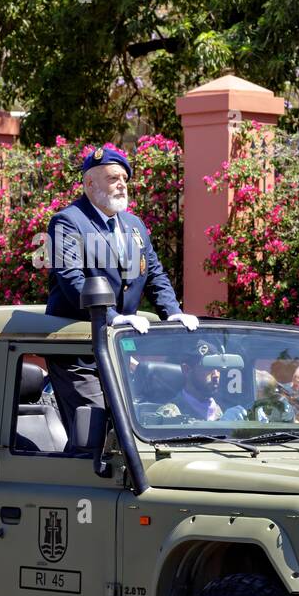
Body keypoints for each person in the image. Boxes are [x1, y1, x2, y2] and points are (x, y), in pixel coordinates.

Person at [43, 145, 198, 428]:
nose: (121, 186)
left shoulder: (133, 224)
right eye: (113, 178)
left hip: (118, 349)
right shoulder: (68, 221)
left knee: (128, 427)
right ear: (89, 183)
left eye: (124, 180)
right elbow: (72, 279)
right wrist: (112, 317)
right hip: (78, 351)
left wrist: (172, 312)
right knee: (94, 427)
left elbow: (154, 274)